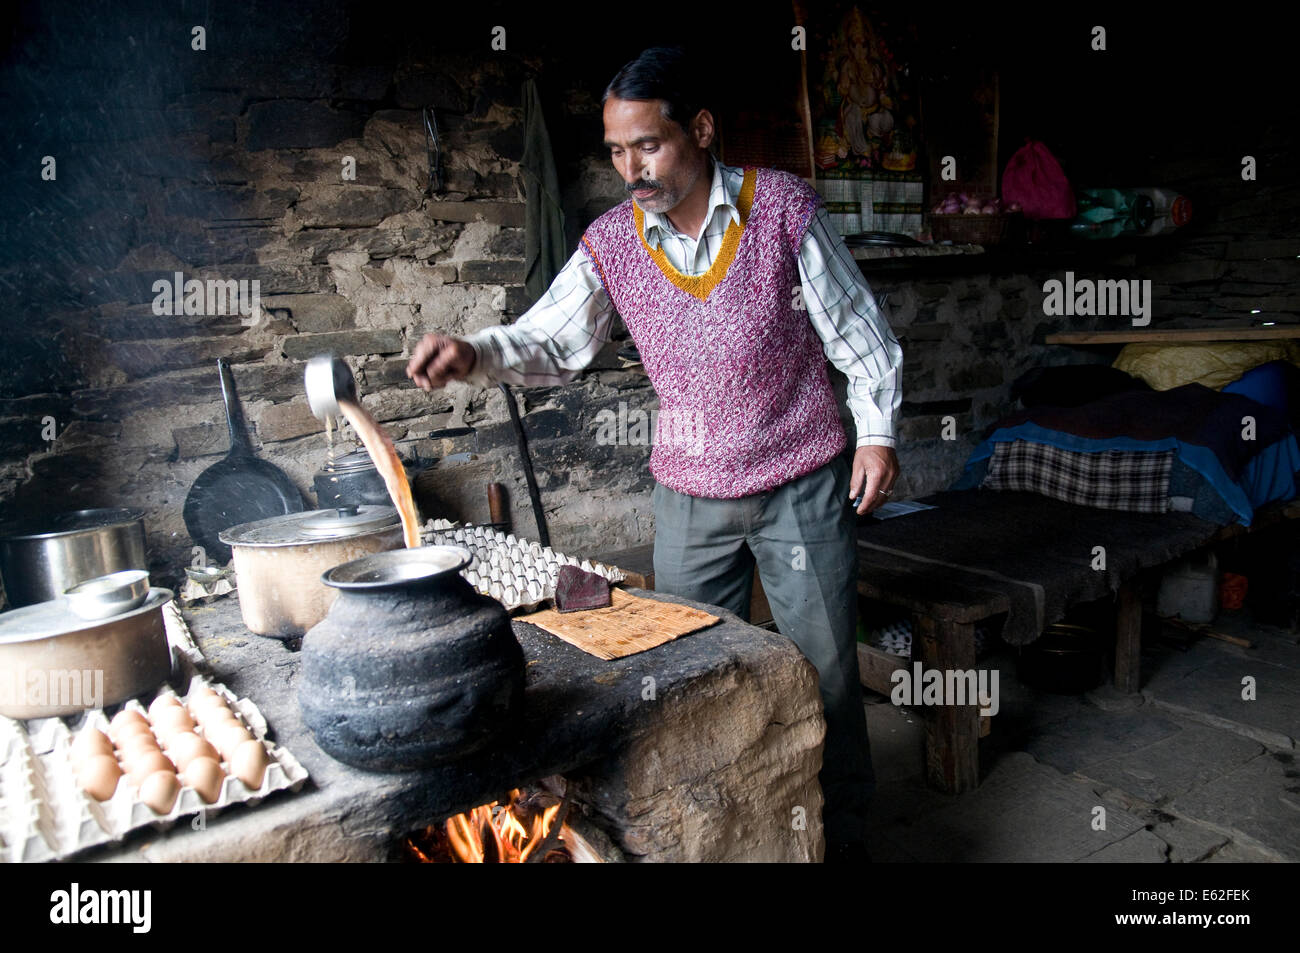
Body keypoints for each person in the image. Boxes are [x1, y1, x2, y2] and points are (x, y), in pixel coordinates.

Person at [407, 46, 903, 862]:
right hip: (691, 494)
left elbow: (862, 335)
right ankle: (721, 836)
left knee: (825, 673)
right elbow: (552, 338)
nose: (629, 168)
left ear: (699, 130)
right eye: (614, 151)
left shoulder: (780, 210)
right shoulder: (614, 241)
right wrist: (476, 352)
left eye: (648, 145)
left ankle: (840, 836)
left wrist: (877, 434)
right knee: (682, 671)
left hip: (799, 480)